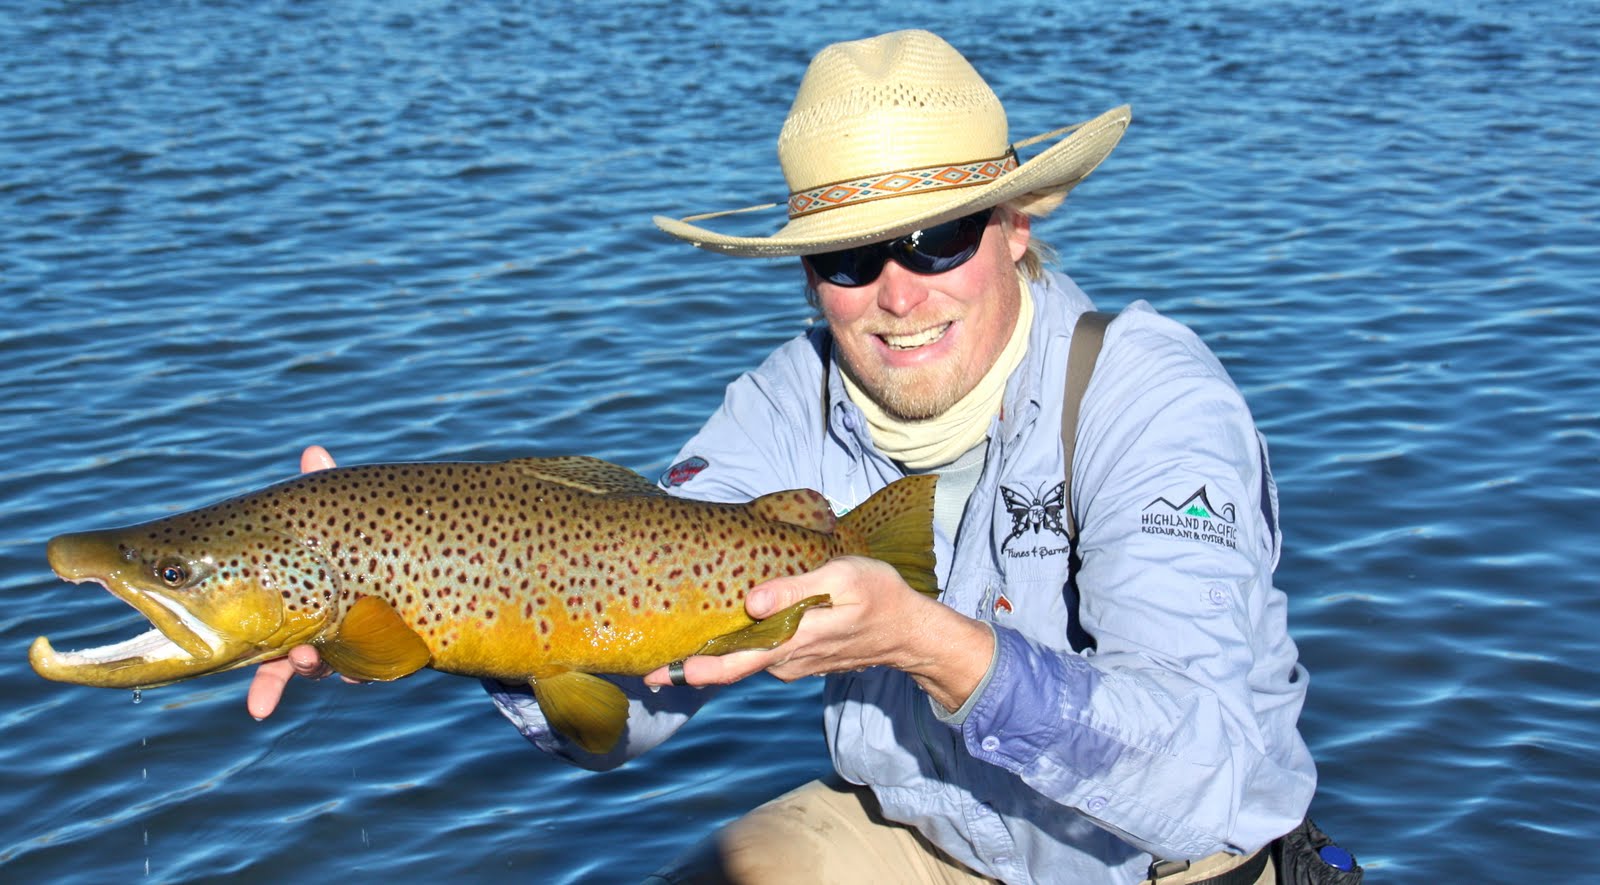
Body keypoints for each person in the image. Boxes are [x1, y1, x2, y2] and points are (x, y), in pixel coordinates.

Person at [248, 29, 1315, 885]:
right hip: (924, 843)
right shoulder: (779, 405)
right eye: (850, 258)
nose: (898, 295)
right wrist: (423, 601)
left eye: (937, 239)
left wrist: (929, 645)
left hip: (1166, 863)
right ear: (806, 273)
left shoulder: (1149, 402)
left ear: (1016, 227)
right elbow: (635, 709)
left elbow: (1198, 780)